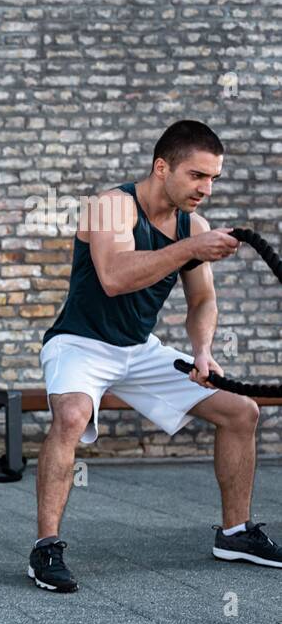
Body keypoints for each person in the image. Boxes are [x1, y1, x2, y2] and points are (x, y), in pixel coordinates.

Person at [34, 119, 279, 592]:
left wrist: (203, 353)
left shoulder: (194, 226)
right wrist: (190, 247)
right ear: (162, 167)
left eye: (213, 179)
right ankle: (46, 548)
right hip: (79, 343)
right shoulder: (110, 206)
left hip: (138, 350)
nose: (206, 188)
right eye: (196, 175)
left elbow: (202, 301)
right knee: (70, 416)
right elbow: (114, 276)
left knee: (240, 412)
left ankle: (235, 534)